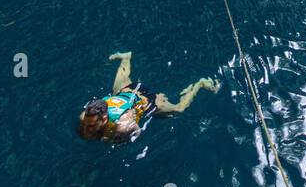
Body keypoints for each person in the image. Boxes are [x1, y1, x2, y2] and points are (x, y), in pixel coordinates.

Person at [77, 52, 219, 144]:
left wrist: (119, 139)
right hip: (127, 91)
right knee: (121, 81)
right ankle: (126, 57)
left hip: (147, 101)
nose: (86, 128)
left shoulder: (123, 125)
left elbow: (137, 131)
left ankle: (200, 84)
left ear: (105, 119)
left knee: (179, 109)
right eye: (86, 124)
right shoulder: (85, 115)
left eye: (90, 126)